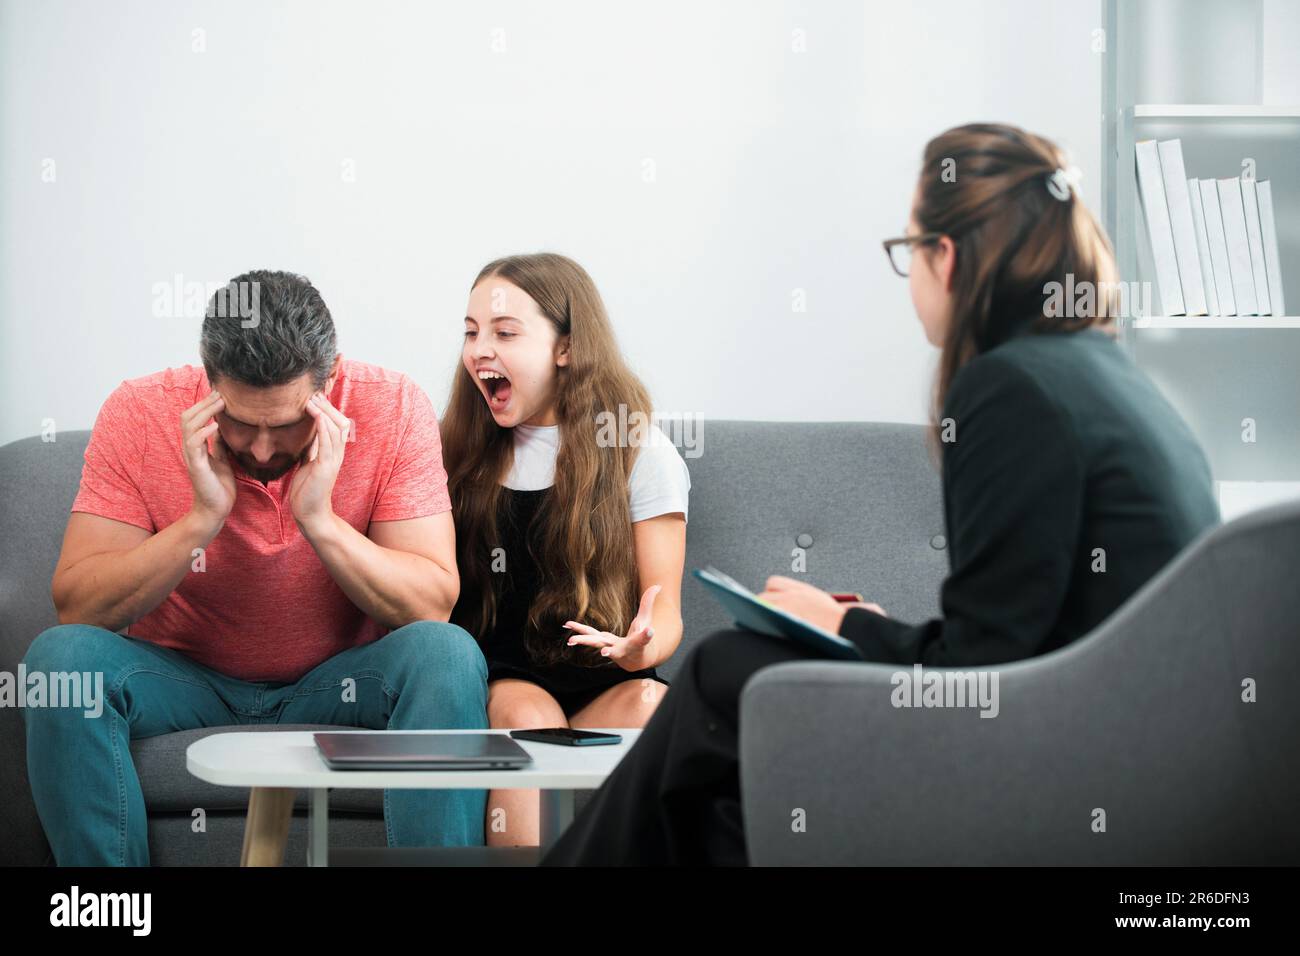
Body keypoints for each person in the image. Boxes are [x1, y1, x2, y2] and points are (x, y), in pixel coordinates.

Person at [541, 122, 1221, 866]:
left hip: (1056, 753)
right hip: (1124, 745)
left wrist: (841, 628)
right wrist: (866, 626)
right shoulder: (1106, 374)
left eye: (909, 251)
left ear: (946, 257)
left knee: (721, 666)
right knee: (714, 812)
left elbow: (983, 670)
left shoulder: (1009, 386)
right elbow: (1020, 638)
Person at [23, 270, 489, 865]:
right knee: (61, 662)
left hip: (340, 682)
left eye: (286, 424)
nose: (264, 449)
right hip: (183, 683)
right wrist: (201, 518)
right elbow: (79, 609)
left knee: (447, 654)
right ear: (208, 380)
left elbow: (430, 605)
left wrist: (319, 518)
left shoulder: (392, 406)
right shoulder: (140, 411)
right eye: (241, 422)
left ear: (332, 380)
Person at [442, 253, 690, 847]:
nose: (480, 350)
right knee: (532, 723)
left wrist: (637, 650)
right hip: (507, 681)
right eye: (471, 333)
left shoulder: (639, 452)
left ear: (566, 349)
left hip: (607, 678)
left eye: (505, 333)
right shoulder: (454, 449)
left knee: (660, 707)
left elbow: (667, 617)